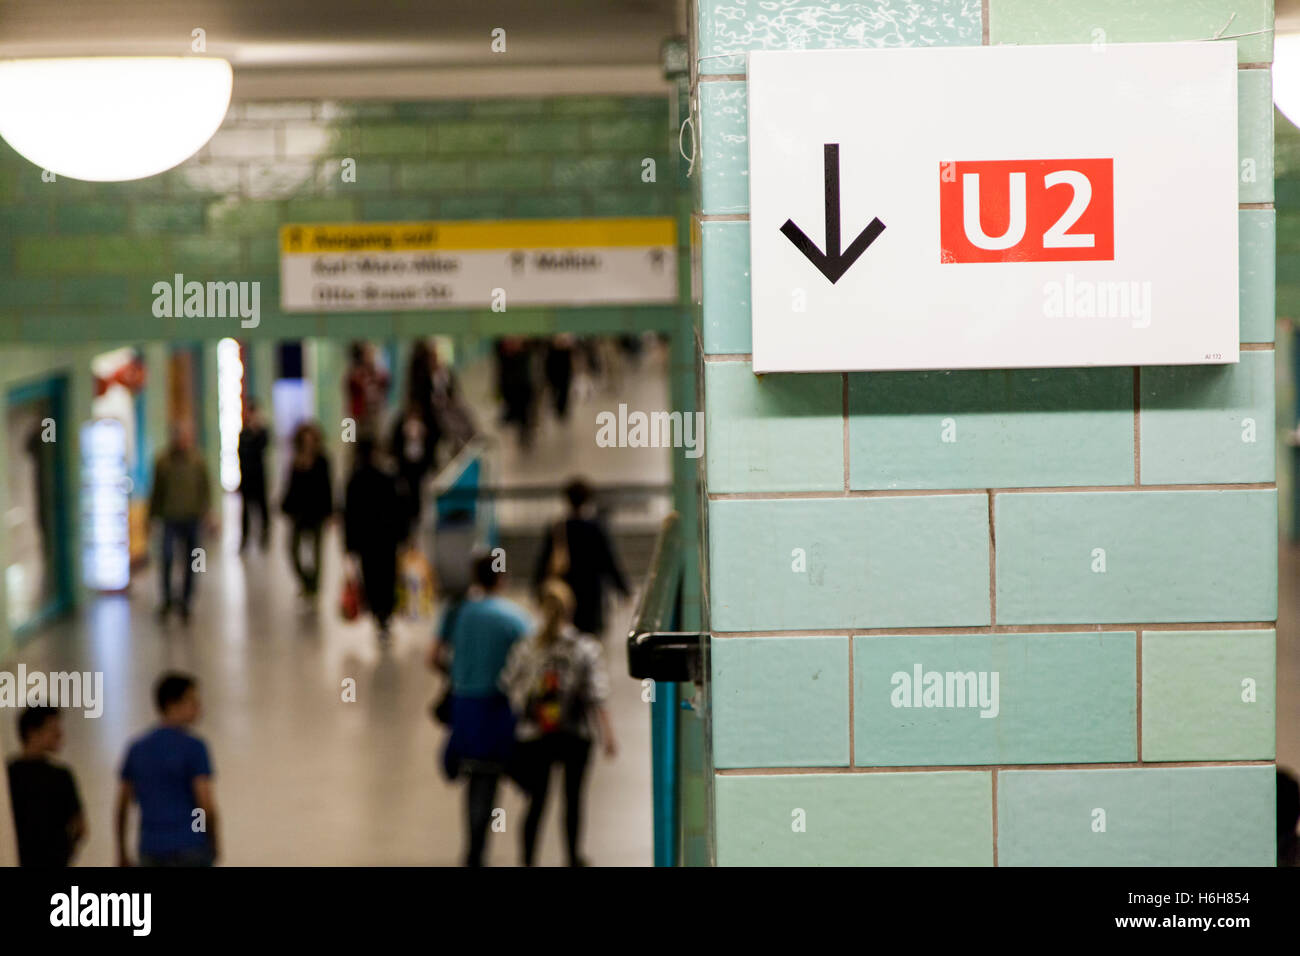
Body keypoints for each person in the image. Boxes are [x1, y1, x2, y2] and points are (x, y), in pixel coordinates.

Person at [501, 579, 615, 867]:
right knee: (573, 800)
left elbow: (507, 683)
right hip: (575, 733)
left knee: (536, 801)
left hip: (536, 734)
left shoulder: (527, 646)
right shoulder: (585, 647)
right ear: (571, 609)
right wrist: (609, 735)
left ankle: (527, 859)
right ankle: (573, 857)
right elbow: (596, 694)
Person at [431, 553, 532, 866]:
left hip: (464, 708)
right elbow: (532, 662)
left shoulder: (456, 610)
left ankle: (474, 852)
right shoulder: (514, 618)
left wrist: (458, 671)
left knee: (477, 781)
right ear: (501, 579)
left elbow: (433, 656)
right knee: (514, 776)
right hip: (496, 707)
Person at [115, 673, 218, 867]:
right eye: (192, 701)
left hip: (151, 847)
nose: (199, 707)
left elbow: (122, 806)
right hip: (191, 846)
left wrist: (121, 851)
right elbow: (204, 804)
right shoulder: (194, 747)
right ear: (172, 703)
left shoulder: (137, 749)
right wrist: (207, 838)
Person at [533, 478, 630, 637]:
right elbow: (609, 562)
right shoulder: (595, 528)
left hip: (565, 593)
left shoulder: (558, 528)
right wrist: (623, 590)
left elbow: (543, 561)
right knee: (590, 638)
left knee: (564, 634)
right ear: (588, 499)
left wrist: (537, 589)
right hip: (591, 594)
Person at [5, 707, 86, 867]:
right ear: (32, 732)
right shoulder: (61, 775)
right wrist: (65, 851)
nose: (59, 734)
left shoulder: (8, 773)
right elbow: (80, 827)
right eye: (53, 729)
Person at [149, 423, 212, 623]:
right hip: (170, 518)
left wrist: (208, 513)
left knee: (193, 562)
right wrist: (151, 517)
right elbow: (156, 491)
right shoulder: (163, 462)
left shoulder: (197, 461)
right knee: (167, 558)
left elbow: (205, 488)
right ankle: (167, 599)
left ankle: (186, 600)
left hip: (192, 518)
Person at [344, 438, 405, 637]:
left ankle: (379, 613)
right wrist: (403, 535)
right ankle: (385, 614)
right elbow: (398, 509)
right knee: (387, 576)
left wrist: (349, 544)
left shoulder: (355, 479)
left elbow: (349, 514)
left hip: (366, 540)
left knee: (371, 576)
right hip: (386, 537)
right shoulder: (387, 477)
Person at [281, 422, 333, 599]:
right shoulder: (296, 461)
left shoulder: (323, 460)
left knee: (317, 553)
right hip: (299, 514)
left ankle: (315, 588)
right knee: (292, 550)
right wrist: (285, 506)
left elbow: (328, 487)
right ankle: (306, 582)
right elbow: (290, 487)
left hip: (317, 513)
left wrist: (331, 512)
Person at [390, 401, 434, 538]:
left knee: (417, 493)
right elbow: (394, 443)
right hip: (405, 465)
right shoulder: (401, 426)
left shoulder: (425, 427)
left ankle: (416, 517)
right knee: (405, 493)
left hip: (419, 465)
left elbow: (431, 444)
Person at [237, 399, 270, 553]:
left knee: (262, 508)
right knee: (245, 511)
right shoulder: (244, 433)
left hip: (259, 477)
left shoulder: (262, 432)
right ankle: (244, 538)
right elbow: (242, 453)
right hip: (246, 477)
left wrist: (257, 431)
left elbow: (262, 447)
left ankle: (264, 536)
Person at [344, 341, 390, 439]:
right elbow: (351, 386)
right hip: (356, 416)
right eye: (368, 354)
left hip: (374, 414)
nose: (370, 357)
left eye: (372, 354)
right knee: (350, 439)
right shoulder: (355, 374)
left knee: (376, 440)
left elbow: (386, 382)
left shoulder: (378, 374)